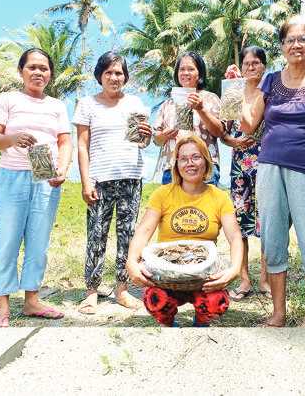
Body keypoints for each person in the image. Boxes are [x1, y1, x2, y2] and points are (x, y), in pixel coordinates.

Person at [240, 14, 305, 328]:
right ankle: (278, 314)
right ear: (282, 46)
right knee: (272, 242)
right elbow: (248, 123)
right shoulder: (270, 80)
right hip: (270, 169)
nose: (297, 45)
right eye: (290, 40)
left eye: (304, 39)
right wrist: (240, 89)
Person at [0, 47, 72, 327]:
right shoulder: (7, 99)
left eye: (44, 68)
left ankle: (32, 300)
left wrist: (63, 169)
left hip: (45, 178)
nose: (38, 72)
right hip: (14, 175)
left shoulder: (57, 106)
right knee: (8, 238)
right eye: (32, 67)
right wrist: (11, 138)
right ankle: (3, 306)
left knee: (38, 240)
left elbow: (65, 142)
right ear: (21, 71)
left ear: (50, 74)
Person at [125, 134, 243, 327]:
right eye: (184, 158)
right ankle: (170, 327)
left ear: (206, 161)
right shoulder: (162, 194)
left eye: (196, 157)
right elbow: (144, 230)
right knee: (155, 298)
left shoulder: (219, 197)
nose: (190, 163)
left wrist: (235, 269)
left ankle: (201, 325)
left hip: (203, 276)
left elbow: (235, 236)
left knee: (216, 301)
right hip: (167, 276)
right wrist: (131, 261)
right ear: (177, 164)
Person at [74, 52, 152, 314]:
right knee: (96, 235)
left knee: (127, 236)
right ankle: (91, 291)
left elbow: (141, 142)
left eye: (119, 72)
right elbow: (82, 146)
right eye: (109, 72)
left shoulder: (136, 103)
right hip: (100, 179)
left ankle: (122, 289)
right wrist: (86, 182)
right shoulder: (87, 104)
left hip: (131, 177)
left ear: (125, 76)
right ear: (100, 75)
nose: (114, 77)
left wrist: (147, 137)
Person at [220, 47, 270, 300]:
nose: (251, 67)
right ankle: (244, 280)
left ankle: (265, 279)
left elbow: (253, 124)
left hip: (266, 161)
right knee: (240, 223)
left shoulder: (269, 91)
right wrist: (231, 141)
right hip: (239, 163)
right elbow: (224, 131)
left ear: (264, 66)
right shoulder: (233, 92)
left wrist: (236, 90)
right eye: (247, 63)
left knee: (266, 222)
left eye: (256, 63)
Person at [153, 51, 224, 186]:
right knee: (174, 208)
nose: (185, 73)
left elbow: (220, 132)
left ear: (199, 73)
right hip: (172, 168)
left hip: (205, 166)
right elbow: (156, 139)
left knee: (204, 208)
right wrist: (163, 135)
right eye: (182, 69)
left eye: (191, 69)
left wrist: (201, 109)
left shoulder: (210, 98)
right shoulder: (168, 104)